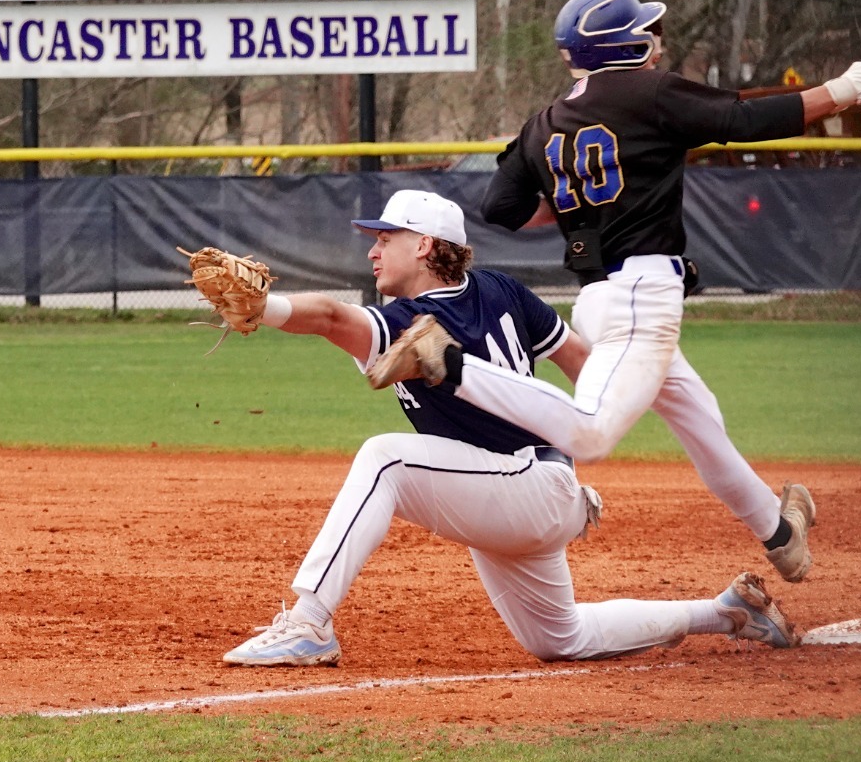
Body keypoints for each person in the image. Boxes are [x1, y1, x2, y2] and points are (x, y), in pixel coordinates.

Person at [368, 0, 861, 585]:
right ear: (626, 42)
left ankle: (780, 534)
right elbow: (744, 118)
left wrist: (577, 208)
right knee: (592, 432)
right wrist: (847, 90)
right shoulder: (648, 92)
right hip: (639, 298)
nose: (655, 42)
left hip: (601, 300)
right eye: (646, 31)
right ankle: (449, 362)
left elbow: (501, 206)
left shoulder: (545, 122)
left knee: (702, 423)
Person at [221, 189, 796, 667]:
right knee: (558, 638)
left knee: (385, 459)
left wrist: (266, 308)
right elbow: (580, 362)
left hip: (522, 486)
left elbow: (327, 317)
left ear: (422, 246)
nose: (373, 251)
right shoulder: (503, 290)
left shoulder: (408, 322)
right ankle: (724, 613)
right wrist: (608, 412)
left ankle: (308, 623)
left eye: (385, 238)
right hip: (526, 491)